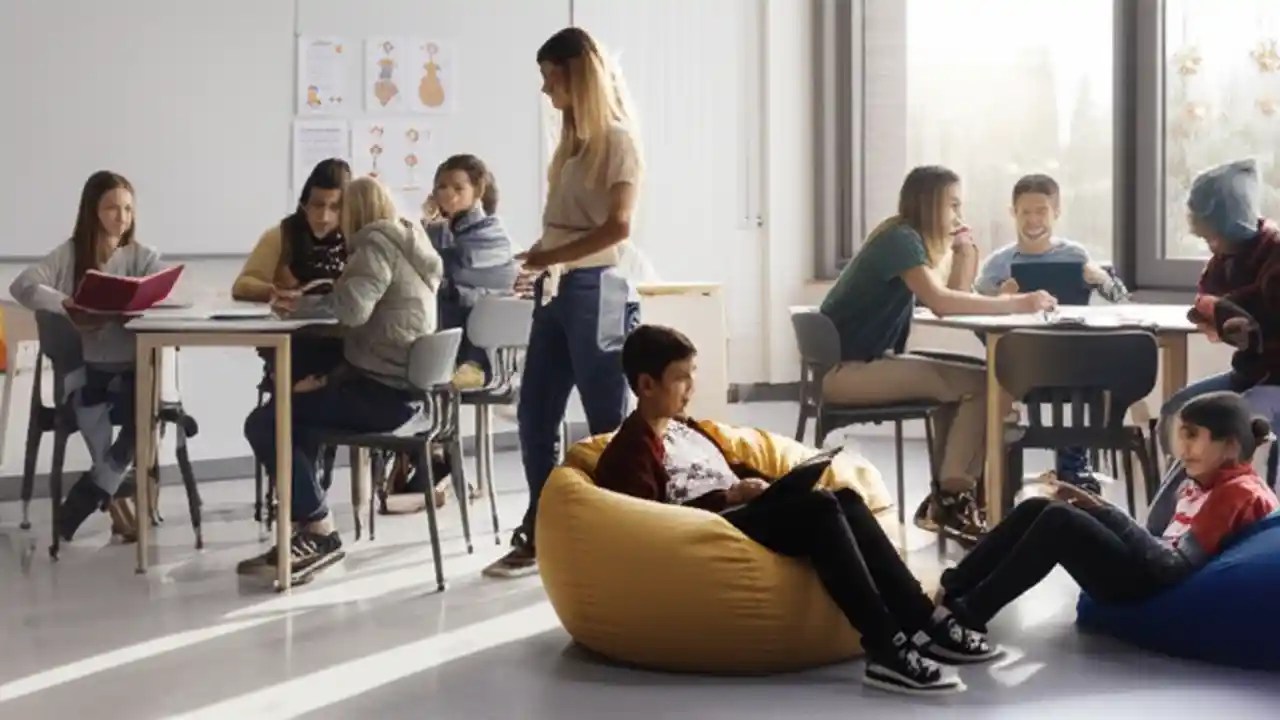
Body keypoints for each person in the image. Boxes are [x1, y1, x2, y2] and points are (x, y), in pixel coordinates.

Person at [594, 325, 1001, 695]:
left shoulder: (687, 429)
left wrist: (772, 486)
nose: (691, 387)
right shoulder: (628, 452)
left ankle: (923, 620)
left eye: (692, 374)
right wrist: (731, 497)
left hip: (745, 510)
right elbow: (647, 523)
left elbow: (730, 471)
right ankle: (886, 647)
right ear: (646, 385)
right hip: (713, 528)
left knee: (843, 496)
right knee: (821, 509)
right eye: (681, 378)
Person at [819, 166, 1056, 545]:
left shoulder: (903, 237)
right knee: (987, 384)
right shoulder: (901, 240)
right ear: (931, 204)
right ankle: (952, 498)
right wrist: (1019, 303)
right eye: (954, 205)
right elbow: (942, 303)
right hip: (846, 372)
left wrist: (965, 254)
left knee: (985, 379)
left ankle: (949, 499)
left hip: (863, 363)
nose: (959, 216)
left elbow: (952, 298)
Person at [483, 27, 643, 578]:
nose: (547, 91)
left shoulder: (618, 141)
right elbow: (571, 227)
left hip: (594, 289)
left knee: (604, 421)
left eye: (552, 78)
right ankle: (542, 524)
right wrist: (542, 254)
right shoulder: (570, 148)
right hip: (557, 290)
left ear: (578, 76)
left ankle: (617, 530)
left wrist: (555, 254)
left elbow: (617, 228)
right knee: (535, 414)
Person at [236, 176, 442, 582]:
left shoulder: (374, 244)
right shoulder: (410, 242)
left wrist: (310, 303)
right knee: (299, 420)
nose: (335, 220)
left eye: (342, 210)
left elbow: (353, 312)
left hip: (383, 396)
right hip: (408, 395)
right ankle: (306, 533)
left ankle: (319, 528)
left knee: (264, 422)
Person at [937, 391, 1279, 634]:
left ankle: (969, 614)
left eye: (1192, 437)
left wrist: (1103, 510)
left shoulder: (1235, 493)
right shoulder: (1205, 480)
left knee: (1059, 521)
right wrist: (1098, 507)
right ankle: (951, 591)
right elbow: (1157, 534)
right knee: (1038, 506)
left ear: (1230, 446)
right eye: (1181, 438)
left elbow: (1171, 567)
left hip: (1155, 585)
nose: (1182, 450)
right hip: (1152, 567)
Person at [9, 171, 165, 540]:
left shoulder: (144, 256)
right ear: (92, 211)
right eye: (111, 207)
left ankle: (92, 489)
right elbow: (23, 285)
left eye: (128, 208)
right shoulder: (70, 254)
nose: (121, 216)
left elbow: (164, 292)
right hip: (88, 373)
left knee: (144, 414)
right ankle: (107, 492)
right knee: (90, 402)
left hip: (132, 372)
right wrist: (66, 303)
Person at [975, 173, 1131, 494]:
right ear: (1013, 213)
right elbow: (975, 314)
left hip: (1071, 359)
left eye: (1041, 211)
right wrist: (1000, 299)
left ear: (1056, 213)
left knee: (1078, 371)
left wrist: (1100, 277)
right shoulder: (999, 264)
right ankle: (997, 475)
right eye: (1025, 212)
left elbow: (1122, 299)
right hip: (1022, 362)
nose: (1033, 220)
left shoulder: (1075, 255)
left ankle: (1073, 469)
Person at [1156, 159, 1280, 457]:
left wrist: (1223, 308)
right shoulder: (1226, 256)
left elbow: (1266, 311)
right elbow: (1206, 298)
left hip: (1274, 377)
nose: (1210, 246)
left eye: (1213, 236)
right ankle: (1186, 495)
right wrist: (1217, 309)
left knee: (1218, 432)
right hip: (1249, 374)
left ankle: (1230, 496)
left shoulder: (1274, 251)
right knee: (1179, 412)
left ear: (1235, 222)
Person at [232, 158, 351, 386]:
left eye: (334, 207)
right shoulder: (282, 235)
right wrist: (274, 292)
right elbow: (243, 284)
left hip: (344, 342)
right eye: (317, 205)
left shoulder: (357, 238)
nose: (324, 217)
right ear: (304, 204)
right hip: (293, 341)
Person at [423, 153, 518, 390]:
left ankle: (476, 367)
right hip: (455, 322)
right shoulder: (446, 229)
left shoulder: (490, 231)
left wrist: (434, 227)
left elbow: (447, 267)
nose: (448, 194)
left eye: (458, 188)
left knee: (453, 294)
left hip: (487, 334)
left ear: (477, 191)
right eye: (441, 187)